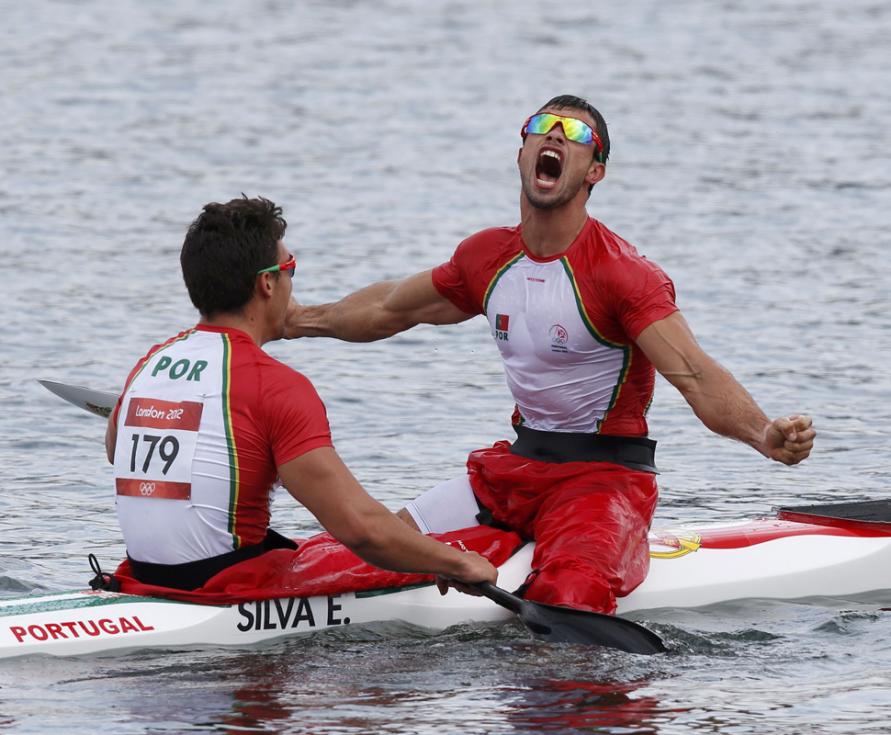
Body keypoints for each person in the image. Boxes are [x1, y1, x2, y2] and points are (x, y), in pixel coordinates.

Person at [284, 94, 816, 615]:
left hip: (602, 483)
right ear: (522, 153)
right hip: (514, 468)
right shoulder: (486, 257)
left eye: (578, 133)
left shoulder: (622, 275)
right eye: (543, 123)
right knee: (371, 546)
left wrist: (763, 435)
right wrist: (295, 321)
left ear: (595, 172)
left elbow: (695, 375)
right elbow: (388, 308)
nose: (557, 134)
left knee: (568, 595)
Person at [103, 195, 497, 596]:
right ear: (267, 283)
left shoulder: (151, 362)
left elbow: (116, 452)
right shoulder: (275, 386)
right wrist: (456, 561)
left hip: (141, 577)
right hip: (225, 588)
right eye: (290, 268)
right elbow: (360, 529)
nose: (293, 283)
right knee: (469, 544)